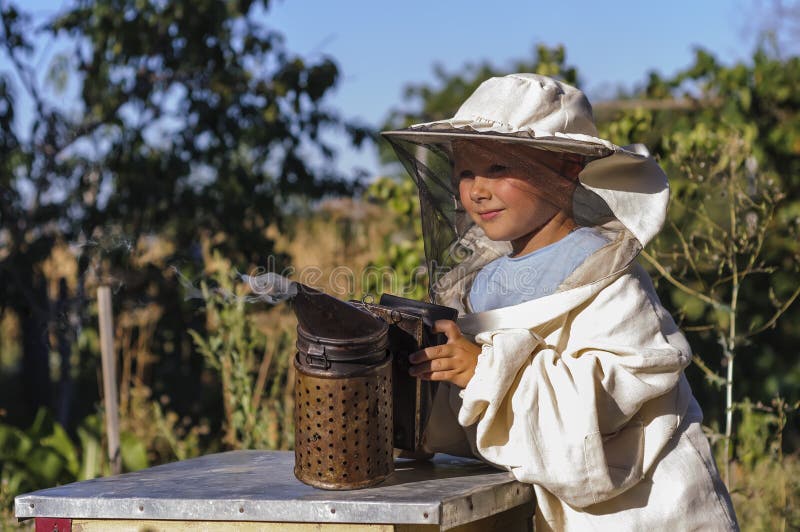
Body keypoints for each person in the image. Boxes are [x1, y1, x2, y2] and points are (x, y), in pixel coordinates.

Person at [382, 73, 738, 531]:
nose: (476, 190)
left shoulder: (611, 283)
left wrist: (484, 370)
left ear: (567, 166)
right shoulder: (479, 282)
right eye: (466, 172)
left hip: (640, 514)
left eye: (496, 168)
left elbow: (606, 405)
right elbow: (490, 424)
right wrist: (416, 399)